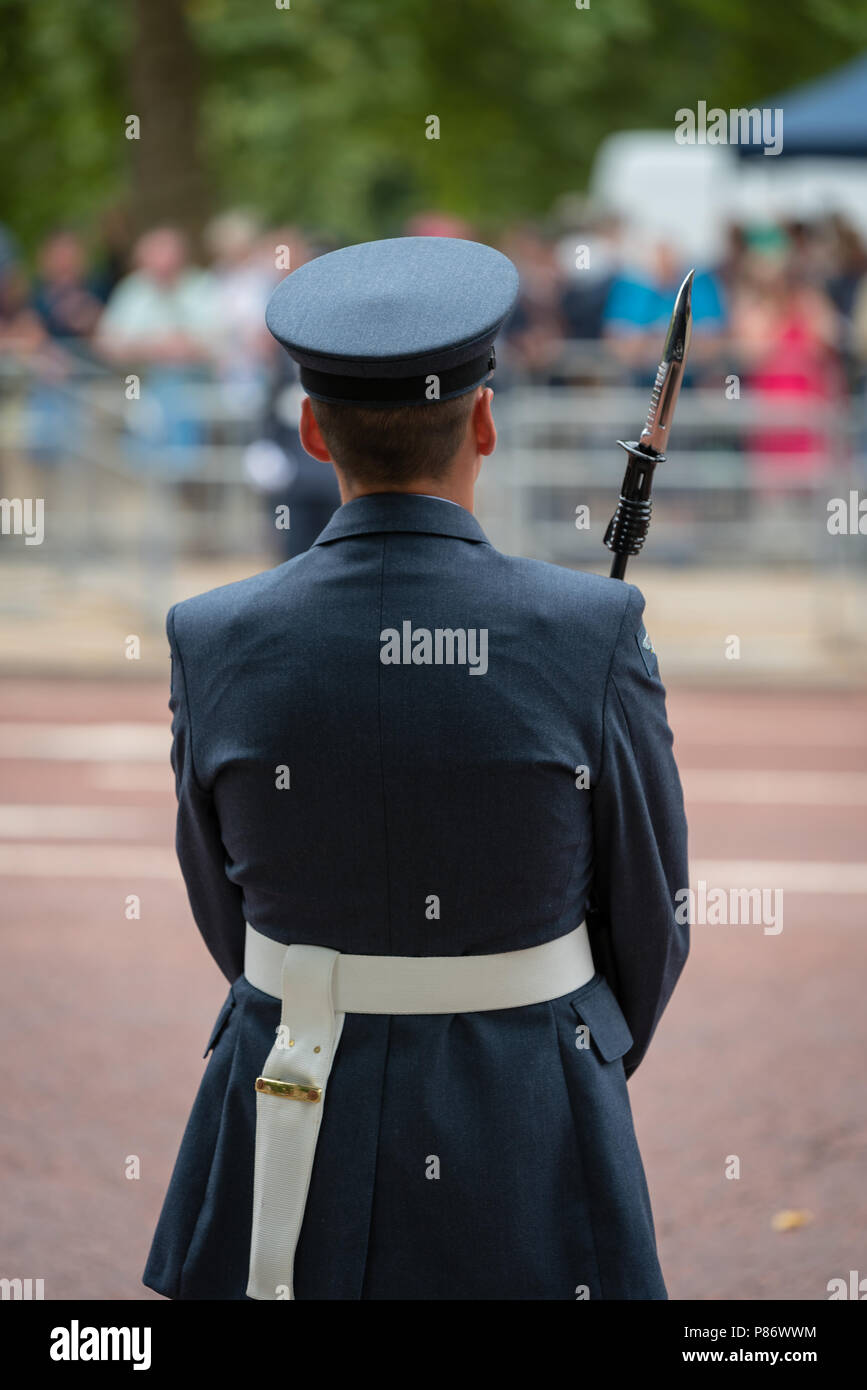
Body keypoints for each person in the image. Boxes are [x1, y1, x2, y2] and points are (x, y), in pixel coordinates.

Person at [143, 235, 689, 1302]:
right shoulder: (590, 627)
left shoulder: (209, 634)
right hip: (528, 1098)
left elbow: (223, 906)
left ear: (312, 431)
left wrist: (321, 984)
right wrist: (574, 1037)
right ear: (485, 421)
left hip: (291, 1075)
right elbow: (650, 907)